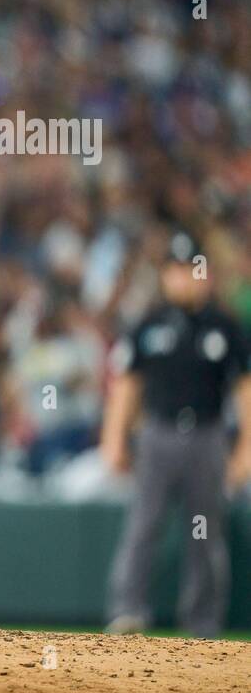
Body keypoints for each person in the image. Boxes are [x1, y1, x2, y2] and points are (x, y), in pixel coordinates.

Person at [100, 231, 251, 637]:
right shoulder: (148, 325)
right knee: (143, 526)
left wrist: (245, 451)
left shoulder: (225, 328)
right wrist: (113, 438)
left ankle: (202, 623)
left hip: (208, 438)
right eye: (175, 270)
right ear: (165, 275)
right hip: (158, 435)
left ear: (203, 274)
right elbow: (126, 385)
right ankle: (127, 611)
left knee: (205, 534)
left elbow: (245, 390)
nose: (182, 278)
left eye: (190, 270)